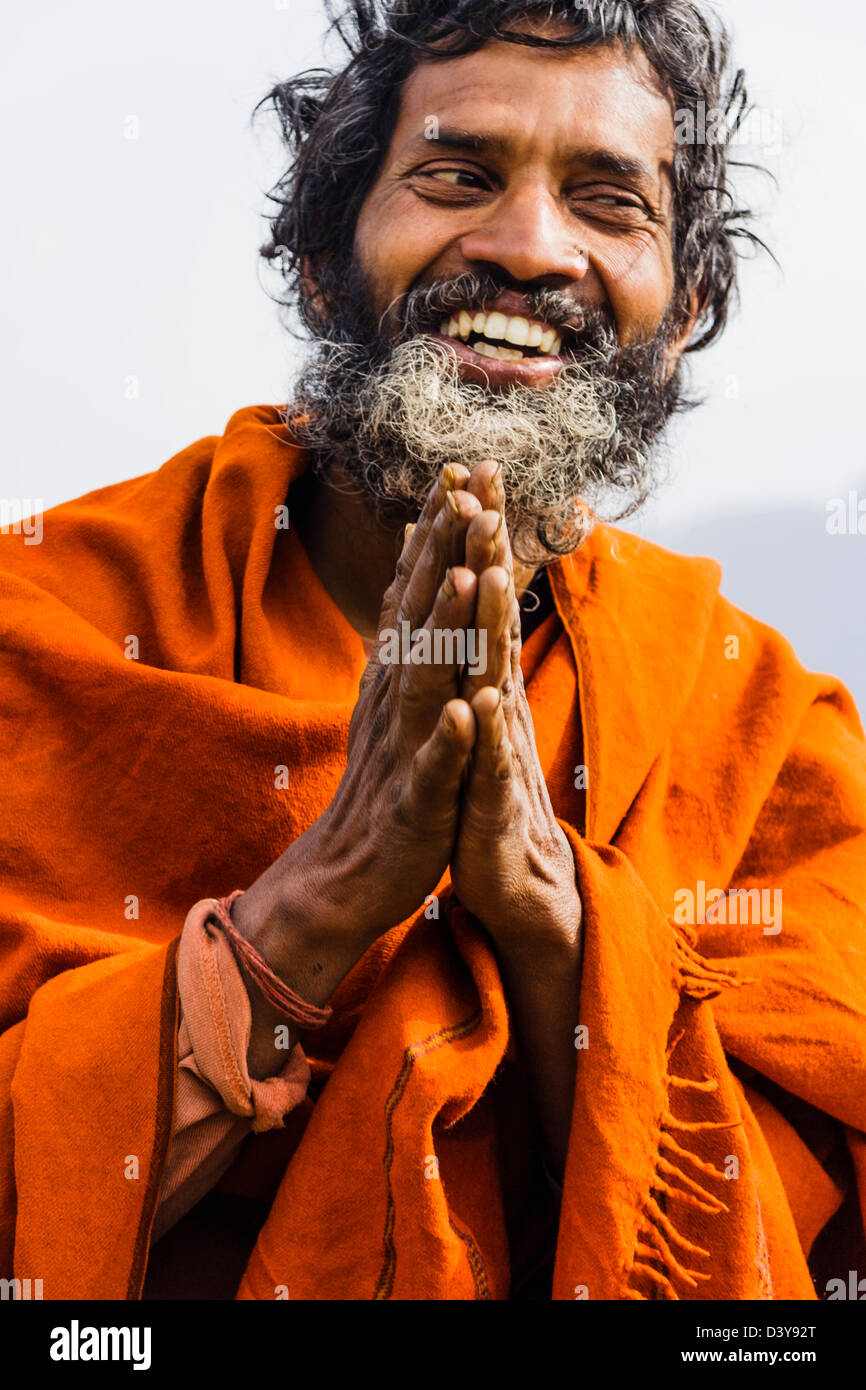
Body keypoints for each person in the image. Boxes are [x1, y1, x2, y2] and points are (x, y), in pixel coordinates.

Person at [1, 0, 864, 1302]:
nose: (530, 248)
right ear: (321, 258)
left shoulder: (760, 731)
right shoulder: (48, 624)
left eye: (608, 203)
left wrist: (549, 913)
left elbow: (779, 1263)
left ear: (683, 310)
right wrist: (331, 890)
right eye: (458, 176)